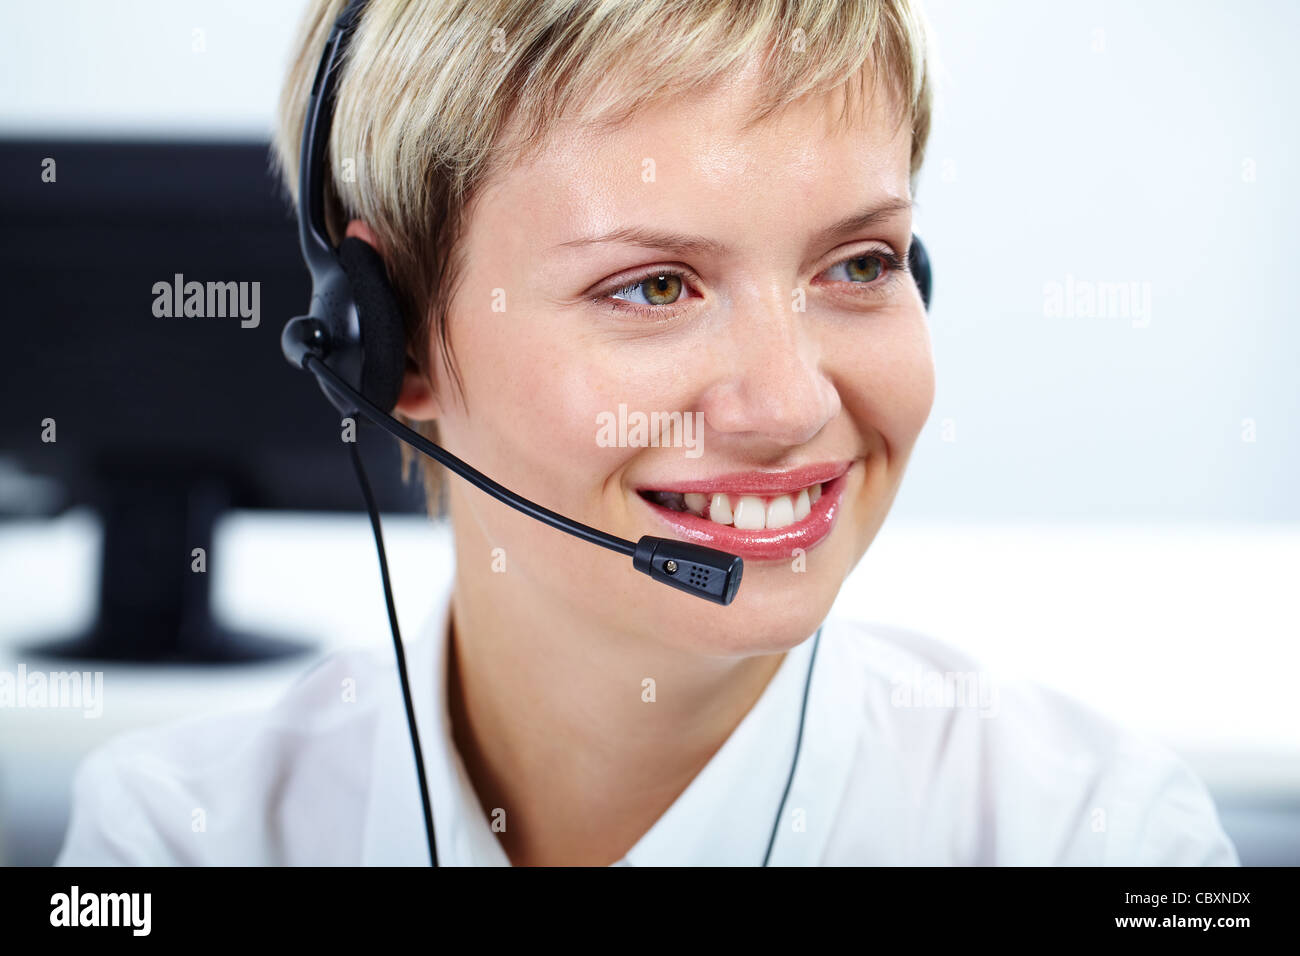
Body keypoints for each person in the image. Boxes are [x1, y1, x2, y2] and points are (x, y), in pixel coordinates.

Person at [56, 0, 1238, 866]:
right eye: (654, 285)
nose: (787, 404)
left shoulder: (1094, 835)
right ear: (394, 340)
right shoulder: (175, 839)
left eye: (859, 263)